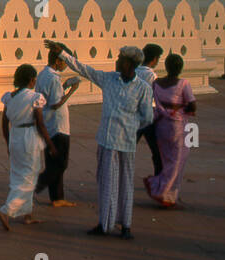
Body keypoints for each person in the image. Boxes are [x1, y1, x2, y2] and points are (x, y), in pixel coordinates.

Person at [42, 41, 156, 239]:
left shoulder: (143, 88)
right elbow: (84, 69)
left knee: (125, 182)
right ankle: (105, 223)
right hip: (107, 139)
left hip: (126, 142)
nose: (116, 61)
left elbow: (147, 117)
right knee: (106, 182)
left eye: (120, 59)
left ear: (129, 64)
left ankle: (125, 224)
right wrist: (62, 54)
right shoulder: (109, 79)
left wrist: (128, 125)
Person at [0, 64, 54, 231]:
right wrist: (50, 144)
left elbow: (4, 122)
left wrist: (8, 142)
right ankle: (7, 210)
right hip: (29, 137)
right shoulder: (35, 97)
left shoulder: (9, 97)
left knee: (19, 175)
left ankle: (28, 215)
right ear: (31, 80)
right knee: (29, 178)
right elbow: (41, 124)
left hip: (15, 135)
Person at [144, 53, 196, 208]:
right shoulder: (183, 84)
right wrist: (180, 107)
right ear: (181, 68)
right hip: (177, 127)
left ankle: (169, 196)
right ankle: (158, 187)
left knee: (167, 160)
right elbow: (192, 105)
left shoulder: (157, 83)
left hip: (161, 125)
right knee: (178, 161)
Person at [34, 45, 81, 206]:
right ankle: (35, 185)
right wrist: (72, 90)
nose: (66, 64)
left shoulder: (43, 75)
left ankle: (57, 198)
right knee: (61, 163)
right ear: (57, 61)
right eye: (65, 61)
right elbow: (55, 103)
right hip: (58, 125)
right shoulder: (53, 78)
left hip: (49, 124)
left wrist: (65, 85)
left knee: (53, 161)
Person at [135, 43, 164, 177]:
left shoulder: (134, 71)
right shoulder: (151, 75)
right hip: (149, 114)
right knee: (157, 150)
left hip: (134, 113)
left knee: (129, 147)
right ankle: (159, 177)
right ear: (155, 59)